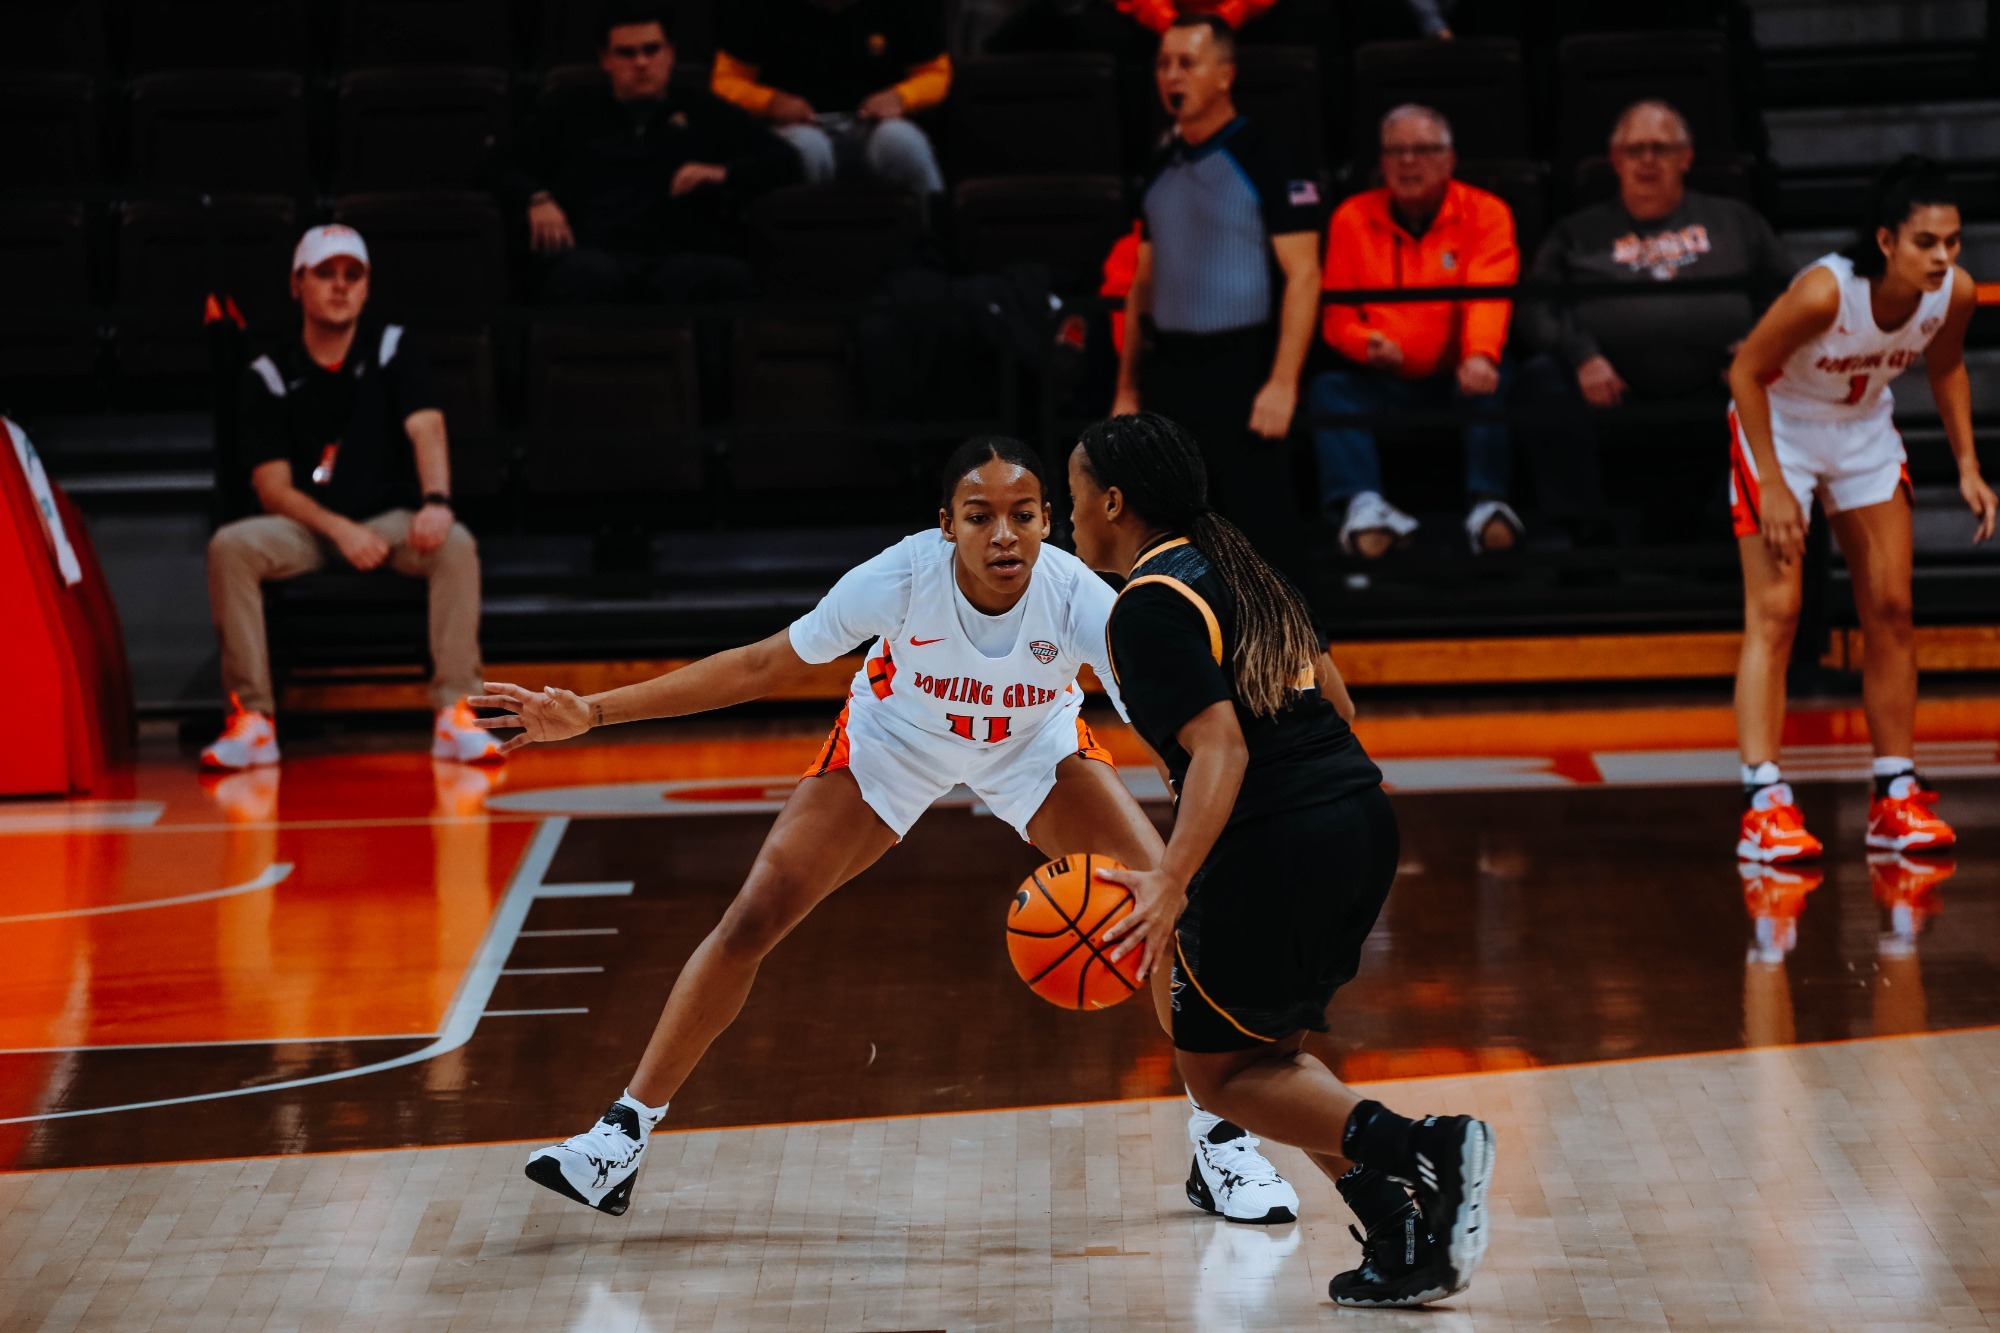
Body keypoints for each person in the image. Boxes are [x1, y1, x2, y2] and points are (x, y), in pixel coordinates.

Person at [475, 437, 1303, 1226]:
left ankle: (1220, 1139)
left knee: (1159, 911)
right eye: (979, 515)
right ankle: (621, 1134)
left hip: (1033, 746)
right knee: (754, 915)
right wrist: (592, 711)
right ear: (947, 525)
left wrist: (1202, 859)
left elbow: (1178, 739)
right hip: (892, 742)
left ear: (1051, 519)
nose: (1002, 532)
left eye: (1022, 513)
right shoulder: (900, 577)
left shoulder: (1085, 598)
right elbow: (765, 664)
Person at [1067, 412, 1494, 1307]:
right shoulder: (1239, 562)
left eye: (1072, 498)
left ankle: (1430, 1147)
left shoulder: (1146, 605)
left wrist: (1172, 880)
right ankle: (1399, 1233)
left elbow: (1219, 750)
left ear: (1113, 500)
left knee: (1217, 1072)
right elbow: (1333, 696)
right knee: (1274, 1053)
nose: (1071, 519)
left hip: (1280, 838)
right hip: (1358, 817)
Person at [1727, 156, 1994, 864]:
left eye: (1953, 241)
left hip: (1863, 429)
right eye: (1926, 243)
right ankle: (1762, 801)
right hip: (1778, 425)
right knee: (1778, 611)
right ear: (1886, 242)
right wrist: (1776, 483)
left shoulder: (1953, 294)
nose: (1943, 257)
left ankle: (1894, 793)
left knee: (1892, 607)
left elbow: (1946, 367)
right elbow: (1745, 373)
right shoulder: (1824, 294)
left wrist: (1968, 464)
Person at [201, 225, 498, 771]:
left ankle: (456, 712)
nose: (339, 286)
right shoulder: (268, 373)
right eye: (325, 273)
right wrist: (340, 530)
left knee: (454, 543)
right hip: (310, 529)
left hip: (388, 522)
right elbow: (272, 489)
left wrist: (436, 499)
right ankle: (253, 720)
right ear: (297, 284)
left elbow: (427, 427)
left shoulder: (392, 348)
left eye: (352, 275)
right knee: (230, 546)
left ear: (366, 288)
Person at [1112, 15, 1324, 609]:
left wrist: (1282, 381)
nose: (1171, 75)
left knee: (1263, 537)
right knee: (1173, 539)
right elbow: (1143, 281)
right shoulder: (1157, 161)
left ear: (1225, 75)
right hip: (1171, 371)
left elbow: (1305, 274)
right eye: (1163, 63)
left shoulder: (1267, 157)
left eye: (1187, 62)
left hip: (1243, 366)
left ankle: (1298, 680)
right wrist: (1127, 387)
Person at [1518, 100, 1794, 544]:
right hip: (1610, 392)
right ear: (1614, 161)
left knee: (1786, 375)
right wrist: (1583, 356)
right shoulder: (1577, 231)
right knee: (1540, 380)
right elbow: (1537, 306)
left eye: (1660, 149)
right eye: (1634, 150)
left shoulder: (1735, 221)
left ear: (1685, 157)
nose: (1646, 160)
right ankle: (1585, 536)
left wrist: (1758, 346)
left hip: (1721, 384)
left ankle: (1741, 536)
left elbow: (1790, 293)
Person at [1309, 103, 1521, 557]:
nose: (1408, 161)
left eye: (1423, 149)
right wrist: (1365, 345)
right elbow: (1336, 316)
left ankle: (1488, 506)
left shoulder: (1486, 212)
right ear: (1381, 162)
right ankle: (1365, 508)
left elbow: (1489, 293)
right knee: (1329, 390)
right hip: (1384, 377)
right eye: (1396, 151)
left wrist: (1480, 354)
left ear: (1449, 159)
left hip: (1460, 373)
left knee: (1497, 382)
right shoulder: (1350, 217)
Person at [493, 4, 801, 305]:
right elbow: (497, 164)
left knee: (723, 276)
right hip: (594, 249)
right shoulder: (567, 110)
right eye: (626, 53)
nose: (641, 63)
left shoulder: (704, 109)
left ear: (670, 54)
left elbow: (784, 160)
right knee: (583, 275)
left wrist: (723, 173)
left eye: (651, 50)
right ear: (605, 59)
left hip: (679, 251)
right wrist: (535, 197)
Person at [712, 0, 949, 196]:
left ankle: (932, 237)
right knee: (807, 148)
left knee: (902, 141)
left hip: (874, 124)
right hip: (793, 127)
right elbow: (725, 81)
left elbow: (935, 73)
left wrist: (902, 97)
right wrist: (770, 102)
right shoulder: (754, 7)